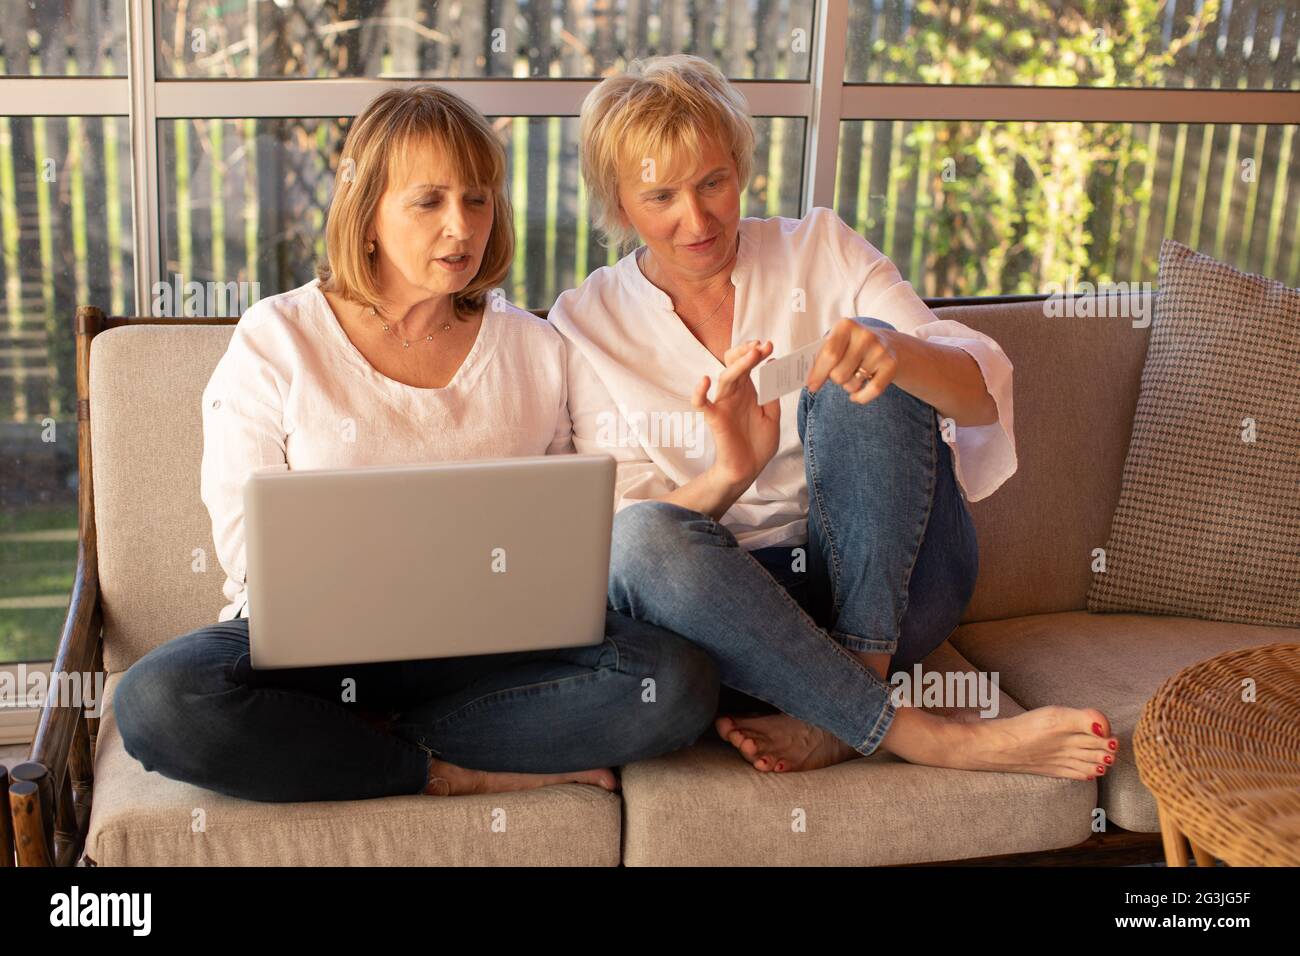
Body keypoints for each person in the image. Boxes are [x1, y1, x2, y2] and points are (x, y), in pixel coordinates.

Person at [112, 85, 719, 804]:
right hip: (310, 652)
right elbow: (248, 547)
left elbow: (576, 530)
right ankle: (439, 768)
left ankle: (360, 739)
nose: (460, 227)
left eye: (477, 199)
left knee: (676, 682)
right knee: (160, 700)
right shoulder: (277, 339)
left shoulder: (536, 346)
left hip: (490, 649)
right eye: (428, 202)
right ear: (366, 213)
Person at [549, 54, 1120, 781]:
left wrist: (897, 351)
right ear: (619, 203)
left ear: (741, 167)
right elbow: (622, 551)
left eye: (713, 183)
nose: (696, 220)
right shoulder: (586, 322)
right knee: (639, 539)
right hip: (735, 624)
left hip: (897, 583)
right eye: (660, 196)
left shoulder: (819, 246)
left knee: (872, 365)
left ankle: (859, 679)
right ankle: (904, 729)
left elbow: (979, 393)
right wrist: (733, 472)